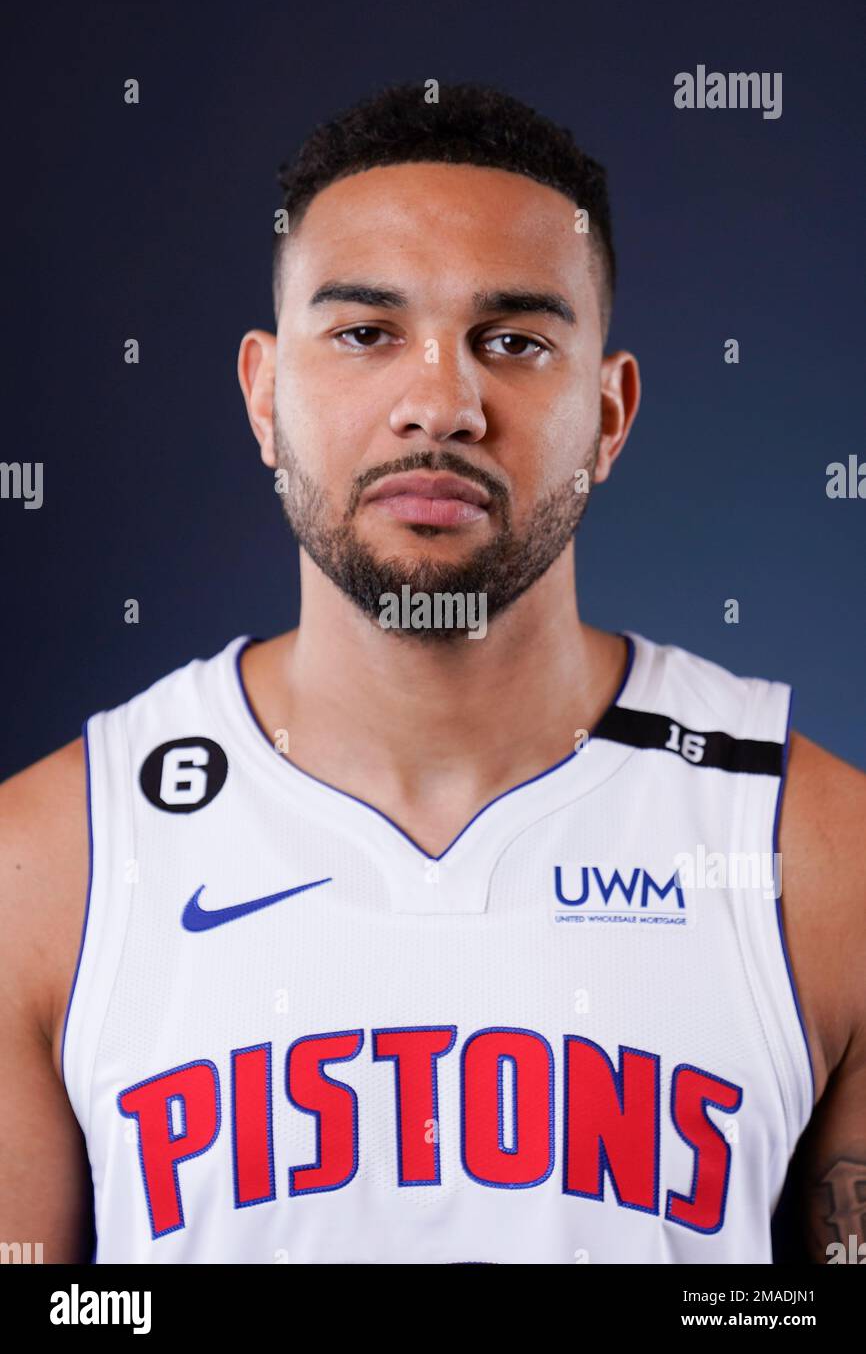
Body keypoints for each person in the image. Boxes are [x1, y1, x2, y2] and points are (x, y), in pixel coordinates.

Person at [1, 82, 863, 1265]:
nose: (440, 404)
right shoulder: (47, 867)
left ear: (608, 414)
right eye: (364, 333)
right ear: (264, 397)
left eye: (512, 341)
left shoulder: (820, 854)